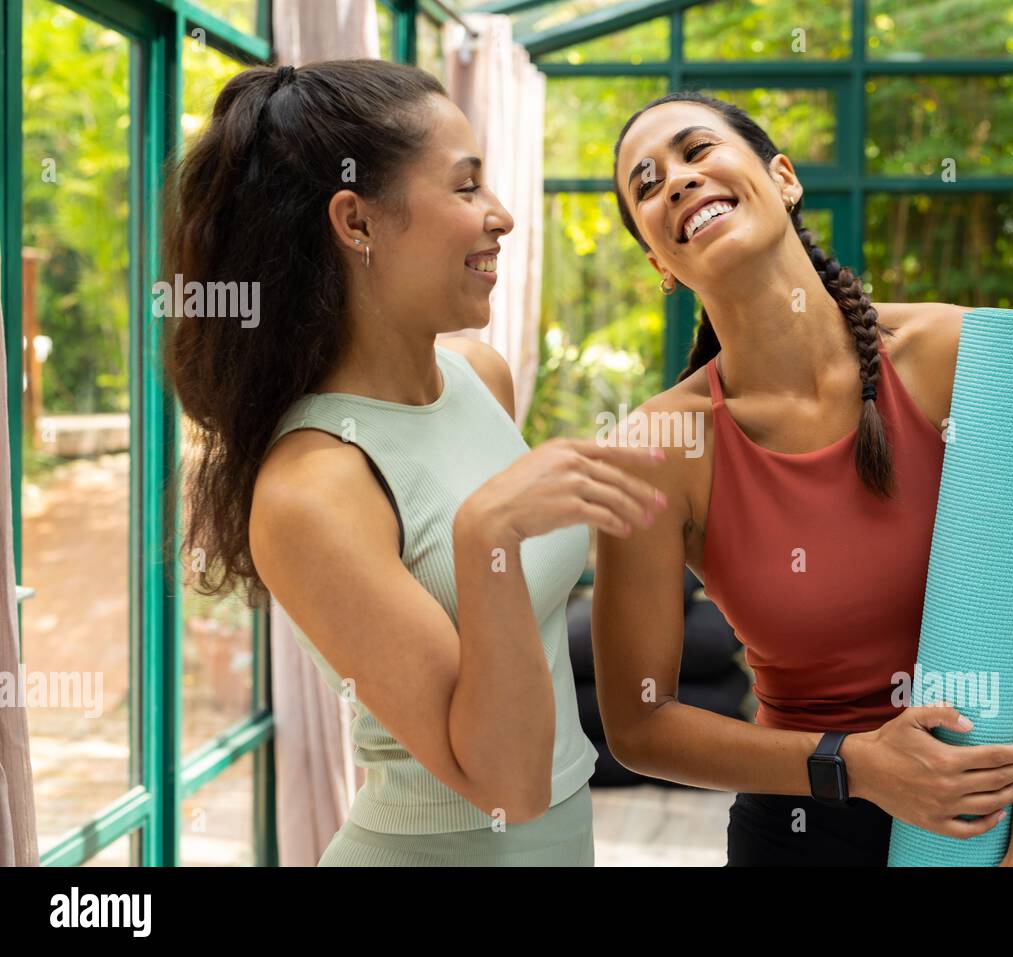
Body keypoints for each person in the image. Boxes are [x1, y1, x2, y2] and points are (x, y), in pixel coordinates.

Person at [163, 60, 666, 866]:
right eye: (466, 188)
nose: (499, 215)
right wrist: (489, 534)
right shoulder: (312, 489)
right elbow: (509, 786)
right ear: (356, 223)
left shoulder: (480, 377)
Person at [593, 92, 1013, 866]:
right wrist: (854, 765)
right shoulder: (656, 448)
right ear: (661, 263)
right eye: (647, 184)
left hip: (983, 828)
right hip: (802, 827)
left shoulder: (963, 358)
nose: (677, 181)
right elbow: (641, 725)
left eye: (696, 151)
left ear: (783, 178)